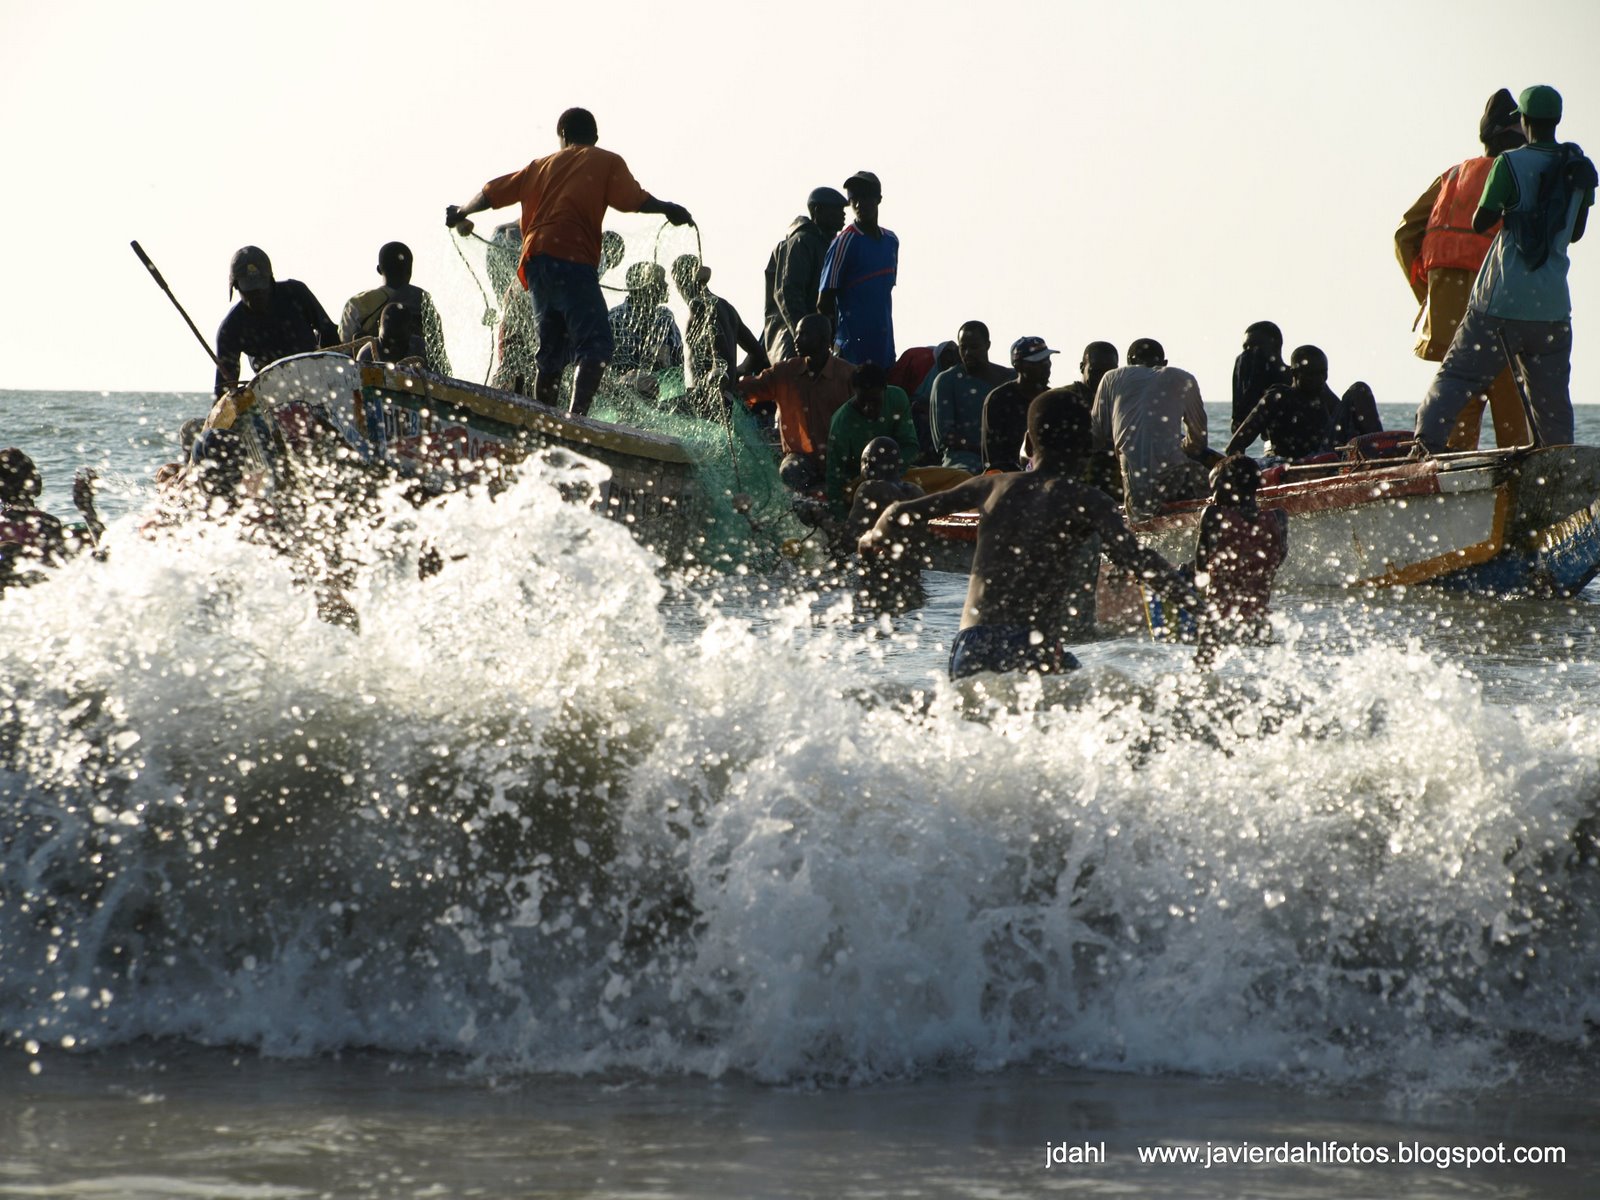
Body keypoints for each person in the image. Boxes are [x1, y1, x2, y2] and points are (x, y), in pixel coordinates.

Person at [859, 392, 1193, 680]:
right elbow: (1140, 562)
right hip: (1033, 644)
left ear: (1030, 443)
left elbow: (898, 512)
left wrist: (872, 539)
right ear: (1089, 447)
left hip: (971, 642)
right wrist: (1198, 609)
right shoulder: (1088, 500)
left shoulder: (994, 485)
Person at [445, 106, 694, 416]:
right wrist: (669, 208)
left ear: (562, 136)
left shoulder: (539, 166)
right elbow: (634, 200)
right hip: (572, 259)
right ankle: (575, 420)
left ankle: (546, 418)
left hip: (535, 264)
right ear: (596, 137)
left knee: (550, 353)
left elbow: (492, 193)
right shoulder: (604, 160)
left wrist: (462, 212)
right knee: (597, 345)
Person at [1415, 86, 1596, 453]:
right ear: (1557, 120)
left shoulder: (1509, 163)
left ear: (1524, 121)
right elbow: (1574, 233)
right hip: (1552, 308)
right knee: (1551, 403)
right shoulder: (1579, 169)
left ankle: (1425, 449)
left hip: (1500, 302)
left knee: (1457, 377)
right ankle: (1555, 467)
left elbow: (1482, 221)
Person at [1396, 90, 1530, 449]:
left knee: (1459, 413)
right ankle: (1520, 491)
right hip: (1497, 311)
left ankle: (1455, 489)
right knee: (1515, 420)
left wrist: (1427, 296)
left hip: (1447, 316)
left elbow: (1404, 235)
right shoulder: (1520, 176)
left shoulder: (1452, 176)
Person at [1090, 338, 1209, 519]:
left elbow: (1095, 438)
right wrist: (1181, 447)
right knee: (1208, 482)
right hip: (1174, 476)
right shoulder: (1183, 378)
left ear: (1128, 361)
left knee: (1140, 520)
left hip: (1133, 481)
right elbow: (1198, 441)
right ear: (1164, 363)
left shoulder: (1112, 377)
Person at [733, 313, 854, 490]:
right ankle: (804, 505)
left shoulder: (848, 375)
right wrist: (727, 380)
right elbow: (747, 389)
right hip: (801, 460)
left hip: (840, 459)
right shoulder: (785, 371)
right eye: (797, 334)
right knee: (790, 470)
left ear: (822, 339)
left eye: (804, 334)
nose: (796, 340)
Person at [1191, 455, 1289, 668]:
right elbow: (1277, 557)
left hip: (1219, 622)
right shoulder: (1278, 518)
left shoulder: (1213, 514)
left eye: (1214, 488)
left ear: (1229, 487)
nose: (1211, 496)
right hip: (1259, 622)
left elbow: (1200, 567)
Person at [213, 246, 339, 397]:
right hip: (273, 394)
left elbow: (329, 333)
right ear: (235, 287)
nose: (256, 296)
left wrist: (331, 373)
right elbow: (225, 388)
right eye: (249, 291)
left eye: (260, 288)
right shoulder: (231, 328)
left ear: (271, 280)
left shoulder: (296, 293)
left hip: (316, 379)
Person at [818, 171, 898, 370]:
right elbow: (824, 300)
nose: (860, 204)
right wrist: (833, 344)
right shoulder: (845, 241)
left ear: (878, 199)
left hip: (884, 345)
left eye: (866, 197)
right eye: (854, 199)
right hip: (851, 348)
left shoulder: (891, 241)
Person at [763, 187, 848, 365]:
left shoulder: (830, 245)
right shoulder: (801, 242)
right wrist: (803, 337)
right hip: (792, 342)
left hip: (820, 343)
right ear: (818, 210)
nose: (843, 215)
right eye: (837, 209)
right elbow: (788, 293)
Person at [339, 241, 451, 375]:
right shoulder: (422, 299)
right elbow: (437, 348)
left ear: (379, 269)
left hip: (370, 374)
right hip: (420, 376)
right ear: (410, 270)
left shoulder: (358, 303)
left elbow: (345, 349)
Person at [824, 362, 919, 516]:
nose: (868, 408)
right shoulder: (841, 422)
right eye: (863, 402)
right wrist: (840, 519)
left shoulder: (898, 397)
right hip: (859, 483)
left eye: (875, 401)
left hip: (900, 474)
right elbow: (834, 475)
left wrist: (890, 473)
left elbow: (911, 446)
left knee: (958, 478)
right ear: (854, 392)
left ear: (885, 389)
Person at [844, 436, 925, 614]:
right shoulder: (916, 492)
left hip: (879, 586)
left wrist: (817, 516)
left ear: (867, 464)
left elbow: (848, 542)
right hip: (914, 585)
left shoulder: (869, 488)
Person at [671, 254, 768, 392]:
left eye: (678, 283)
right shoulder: (727, 307)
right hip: (727, 395)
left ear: (683, 280)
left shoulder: (697, 305)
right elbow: (758, 353)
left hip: (707, 398)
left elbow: (720, 347)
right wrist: (736, 373)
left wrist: (721, 380)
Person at [1225, 345, 1337, 461]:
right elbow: (1236, 445)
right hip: (1286, 469)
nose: (1320, 379)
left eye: (1323, 373)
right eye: (1311, 374)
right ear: (1294, 373)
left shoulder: (1325, 398)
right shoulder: (1279, 398)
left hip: (1323, 466)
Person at [929, 321, 1015, 472]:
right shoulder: (947, 381)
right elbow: (946, 436)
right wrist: (982, 450)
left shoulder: (1010, 378)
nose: (968, 353)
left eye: (974, 347)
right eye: (963, 348)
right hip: (964, 462)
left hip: (1009, 460)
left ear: (987, 345)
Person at [981, 336, 1057, 471]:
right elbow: (993, 458)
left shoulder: (1053, 400)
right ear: (1018, 365)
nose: (1046, 365)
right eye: (1037, 361)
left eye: (1047, 359)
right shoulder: (998, 400)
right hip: (1008, 481)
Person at [609, 261, 683, 373]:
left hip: (661, 386)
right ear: (642, 286)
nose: (666, 285)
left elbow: (676, 361)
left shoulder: (664, 318)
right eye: (660, 281)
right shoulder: (615, 320)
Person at [1231, 321, 1290, 435]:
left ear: (1276, 345)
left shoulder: (1296, 379)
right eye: (1245, 348)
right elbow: (1237, 428)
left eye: (1255, 346)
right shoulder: (1251, 379)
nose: (1249, 352)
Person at [355, 303, 427, 368]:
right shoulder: (367, 356)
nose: (392, 348)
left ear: (412, 330)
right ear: (378, 325)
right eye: (386, 342)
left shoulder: (421, 350)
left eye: (399, 343)